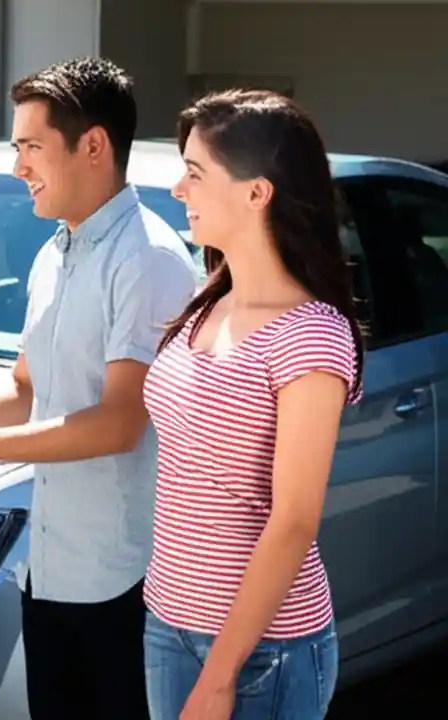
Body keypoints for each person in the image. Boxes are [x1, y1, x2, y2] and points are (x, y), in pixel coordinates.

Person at [0, 57, 198, 719]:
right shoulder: (51, 253)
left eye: (31, 147)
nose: (19, 168)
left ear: (93, 146)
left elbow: (121, 420)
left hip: (129, 579)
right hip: (54, 572)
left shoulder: (147, 258)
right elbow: (29, 387)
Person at [139, 89, 364, 719]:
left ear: (256, 192)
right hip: (170, 623)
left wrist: (220, 672)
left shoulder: (312, 334)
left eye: (194, 173)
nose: (179, 191)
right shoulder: (208, 304)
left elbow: (293, 519)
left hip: (263, 650)